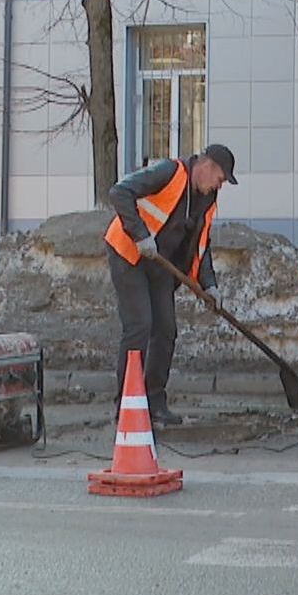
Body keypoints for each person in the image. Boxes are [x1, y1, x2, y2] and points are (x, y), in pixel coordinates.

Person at [103, 143, 238, 427]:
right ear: (207, 166)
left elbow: (202, 245)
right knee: (140, 325)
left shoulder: (207, 198)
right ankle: (126, 405)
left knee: (165, 329)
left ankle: (154, 401)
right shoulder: (169, 171)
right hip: (129, 253)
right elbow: (119, 192)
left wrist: (209, 285)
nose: (220, 185)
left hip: (160, 263)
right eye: (220, 178)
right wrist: (140, 235)